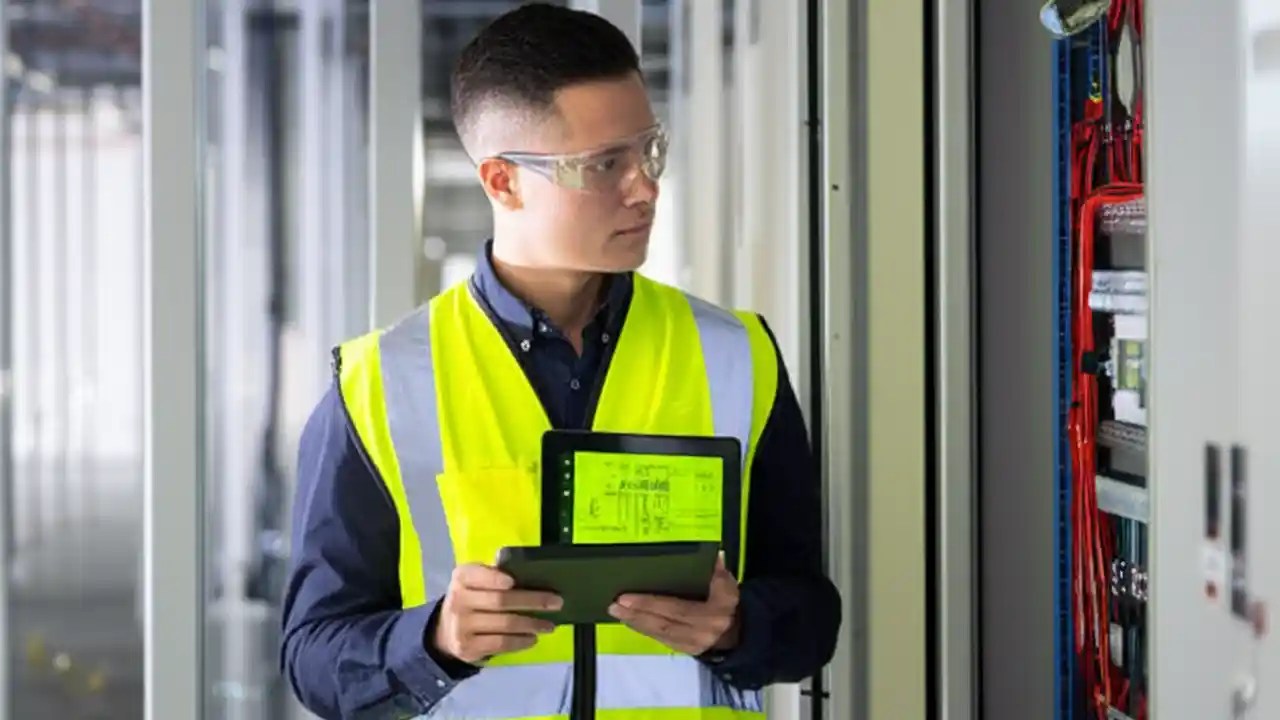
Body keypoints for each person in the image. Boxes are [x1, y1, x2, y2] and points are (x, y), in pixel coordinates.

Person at [280, 4, 840, 719]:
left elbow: (808, 615)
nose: (645, 187)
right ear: (502, 182)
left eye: (649, 151)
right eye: (604, 164)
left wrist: (739, 628)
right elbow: (314, 656)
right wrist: (435, 639)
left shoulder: (738, 356)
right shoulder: (377, 386)